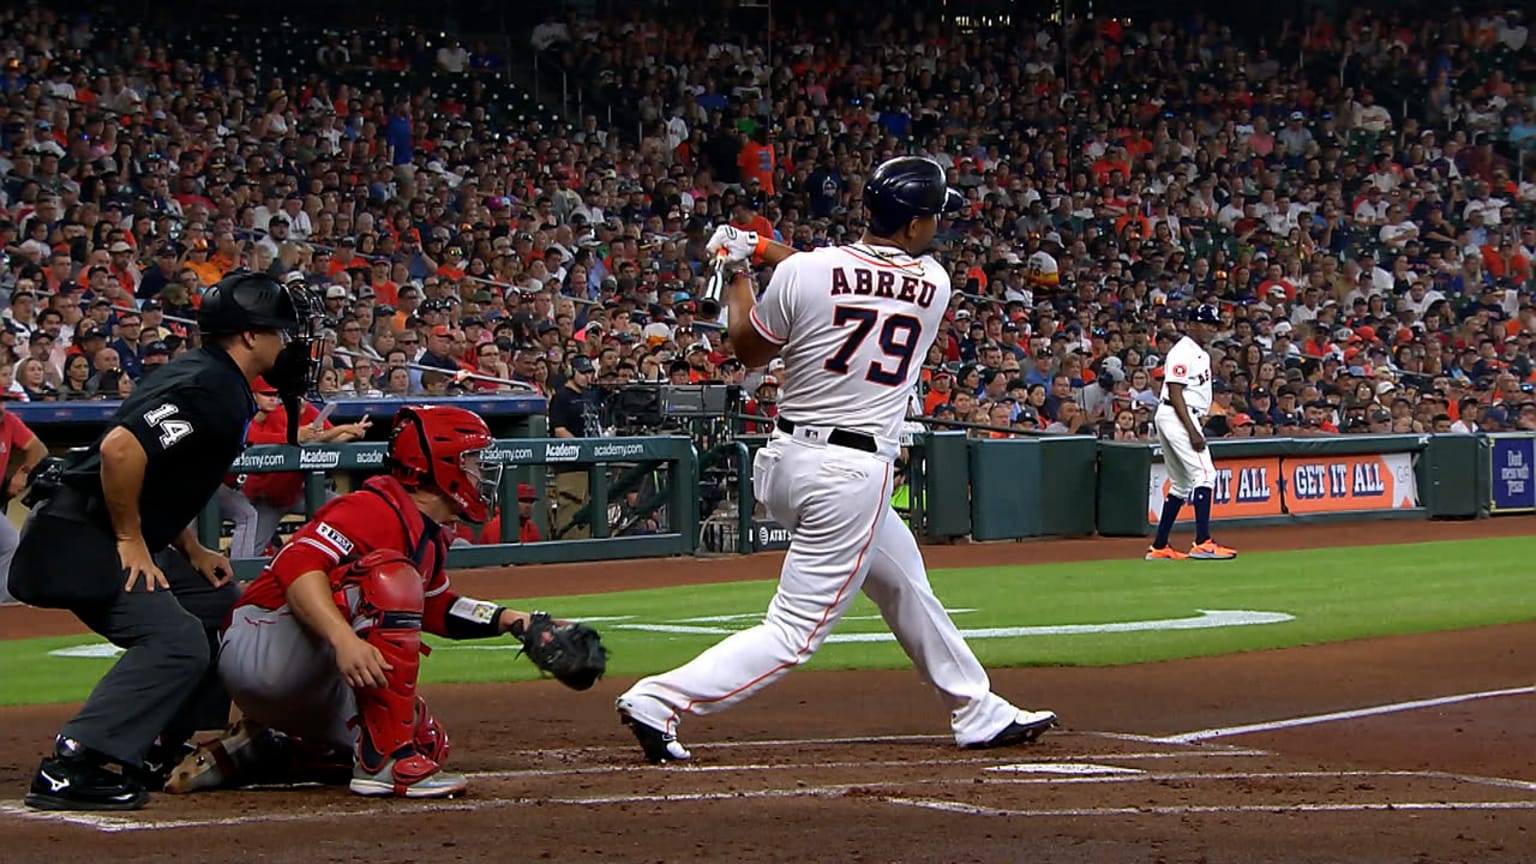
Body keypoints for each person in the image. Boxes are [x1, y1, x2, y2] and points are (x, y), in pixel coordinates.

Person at [615, 156, 1056, 763]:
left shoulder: (810, 272)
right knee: (793, 634)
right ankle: (660, 699)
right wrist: (760, 249)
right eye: (931, 217)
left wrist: (741, 267)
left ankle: (976, 707)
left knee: (906, 584)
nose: (938, 227)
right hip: (850, 475)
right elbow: (838, 273)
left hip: (786, 460)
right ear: (909, 227)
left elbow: (749, 346)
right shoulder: (934, 284)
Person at [8, 271, 319, 810]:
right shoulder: (212, 386)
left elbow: (162, 471)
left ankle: (156, 745)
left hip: (94, 527)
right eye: (280, 332)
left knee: (217, 606)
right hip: (79, 536)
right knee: (176, 641)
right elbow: (122, 451)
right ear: (249, 335)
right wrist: (132, 540)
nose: (289, 344)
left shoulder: (216, 378)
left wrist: (190, 547)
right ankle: (72, 764)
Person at [184, 406, 557, 798]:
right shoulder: (372, 507)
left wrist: (512, 620)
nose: (480, 474)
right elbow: (296, 566)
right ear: (439, 464)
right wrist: (343, 639)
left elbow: (434, 606)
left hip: (308, 668)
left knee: (427, 740)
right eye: (472, 462)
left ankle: (268, 753)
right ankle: (387, 762)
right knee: (390, 578)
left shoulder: (424, 532)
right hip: (263, 641)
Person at [236, 377, 370, 558]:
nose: (300, 399)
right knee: (248, 553)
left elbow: (328, 437)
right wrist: (344, 428)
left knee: (345, 507)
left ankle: (355, 556)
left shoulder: (310, 411)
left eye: (303, 394)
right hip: (268, 498)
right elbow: (304, 437)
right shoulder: (277, 412)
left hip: (297, 493)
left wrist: (352, 432)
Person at [1145, 304, 1237, 561]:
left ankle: (1160, 546)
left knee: (1181, 484)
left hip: (1177, 415)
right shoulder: (1182, 351)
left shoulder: (1200, 352)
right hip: (1178, 414)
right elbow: (1174, 391)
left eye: (1213, 324)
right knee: (1205, 473)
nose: (1209, 328)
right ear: (1191, 324)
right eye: (1205, 323)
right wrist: (1192, 430)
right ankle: (1202, 542)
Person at [547, 355, 603, 539]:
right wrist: (582, 449)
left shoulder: (589, 396)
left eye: (590, 373)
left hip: (592, 463)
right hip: (571, 464)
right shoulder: (561, 397)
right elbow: (559, 430)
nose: (588, 377)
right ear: (572, 373)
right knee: (571, 508)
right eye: (583, 373)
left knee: (589, 510)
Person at [0, 395, 49, 604]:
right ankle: (6, 604)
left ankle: (6, 604)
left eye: (2, 401)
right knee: (9, 542)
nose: (1, 407)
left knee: (9, 543)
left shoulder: (8, 421)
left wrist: (23, 472)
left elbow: (38, 449)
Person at [476, 482, 543, 544]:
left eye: (531, 502)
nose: (528, 506)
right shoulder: (498, 526)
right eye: (523, 501)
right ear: (512, 502)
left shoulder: (530, 527)